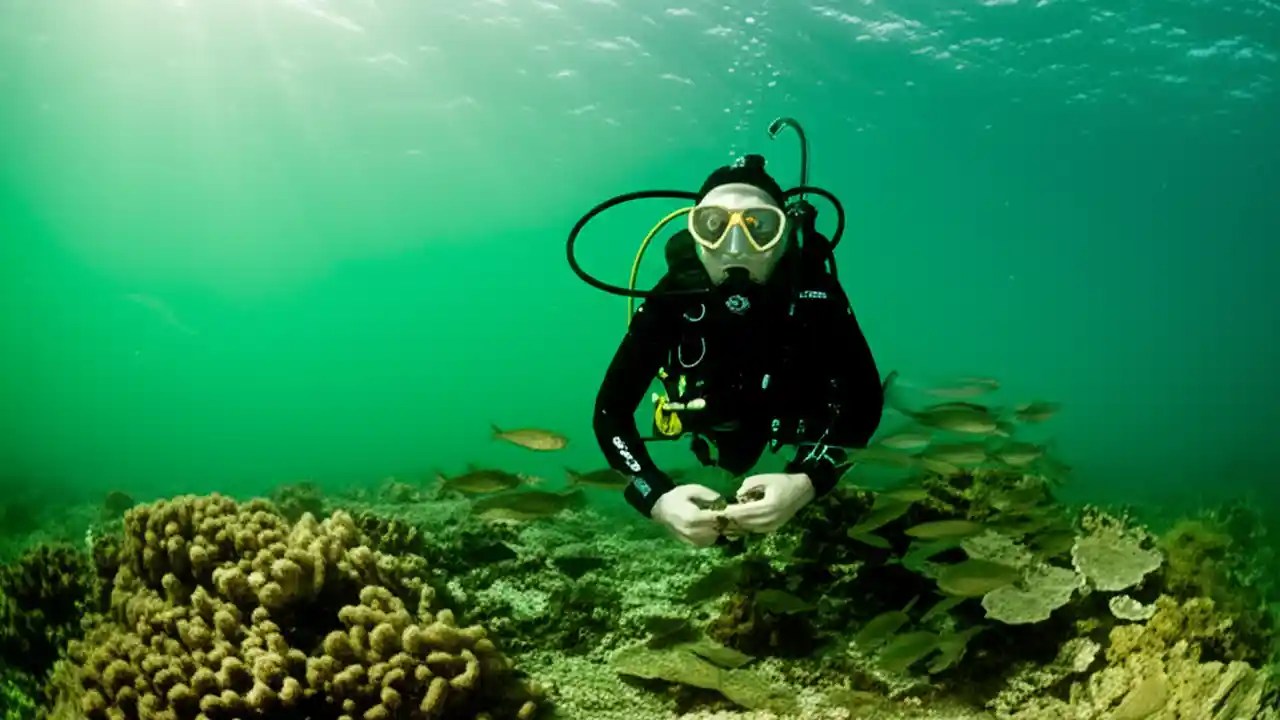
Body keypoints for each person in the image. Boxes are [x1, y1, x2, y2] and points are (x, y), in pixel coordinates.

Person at [579, 138, 886, 547]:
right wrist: (656, 496)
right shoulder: (674, 295)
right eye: (714, 225)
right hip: (713, 420)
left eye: (760, 226)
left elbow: (863, 402)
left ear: (783, 235)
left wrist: (806, 481)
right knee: (731, 454)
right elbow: (610, 412)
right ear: (695, 235)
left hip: (788, 417)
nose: (735, 247)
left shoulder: (814, 293)